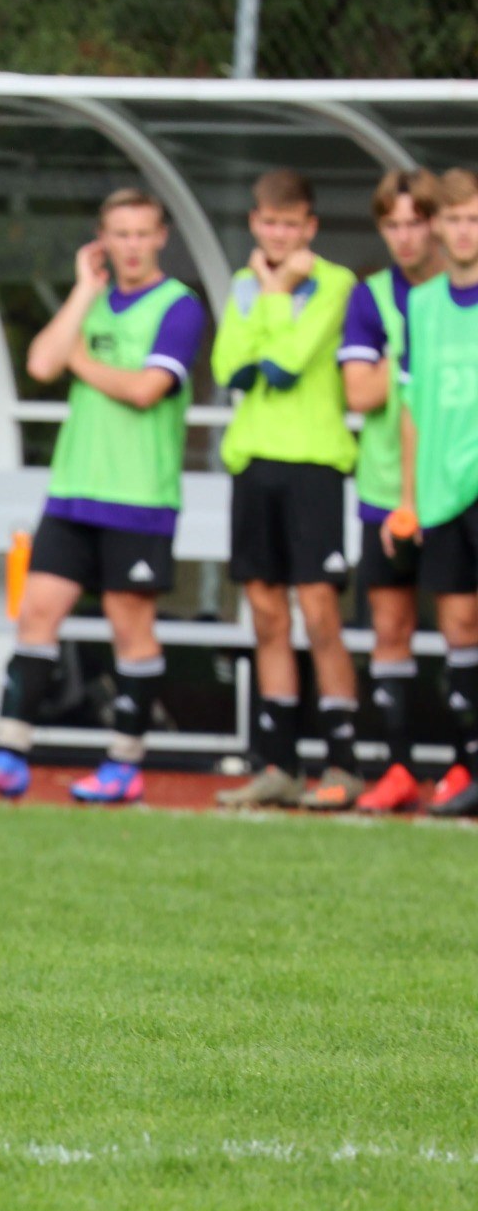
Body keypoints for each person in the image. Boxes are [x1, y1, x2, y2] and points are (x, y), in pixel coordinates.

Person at [0, 189, 205, 804]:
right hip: (72, 492)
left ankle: (125, 759)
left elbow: (146, 389)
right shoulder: (93, 303)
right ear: (101, 239)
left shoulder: (179, 307)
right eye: (120, 234)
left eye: (142, 234)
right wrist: (84, 291)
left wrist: (80, 363)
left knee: (128, 626)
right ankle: (10, 751)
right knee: (36, 614)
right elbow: (40, 361)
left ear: (161, 236)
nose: (132, 247)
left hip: (139, 496)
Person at [211, 169, 361, 811]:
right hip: (254, 464)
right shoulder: (244, 285)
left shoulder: (335, 283)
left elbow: (283, 362)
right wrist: (270, 293)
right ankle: (277, 765)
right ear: (254, 225)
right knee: (266, 613)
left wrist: (278, 291)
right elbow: (231, 368)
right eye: (268, 223)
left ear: (310, 227)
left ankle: (344, 764)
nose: (278, 234)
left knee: (320, 612)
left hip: (314, 465)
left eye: (290, 224)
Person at [341, 169, 441, 812]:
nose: (405, 237)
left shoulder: (465, 293)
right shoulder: (372, 298)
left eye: (416, 223)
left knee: (465, 624)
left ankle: (463, 766)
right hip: (386, 490)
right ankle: (401, 766)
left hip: (457, 485)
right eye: (393, 225)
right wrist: (412, 352)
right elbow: (362, 393)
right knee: (392, 626)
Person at [396, 167, 478, 817]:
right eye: (454, 218)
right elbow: (411, 406)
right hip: (443, 489)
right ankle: (467, 763)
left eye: (474, 218)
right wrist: (410, 495)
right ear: (437, 227)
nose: (463, 229)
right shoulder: (420, 304)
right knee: (457, 625)